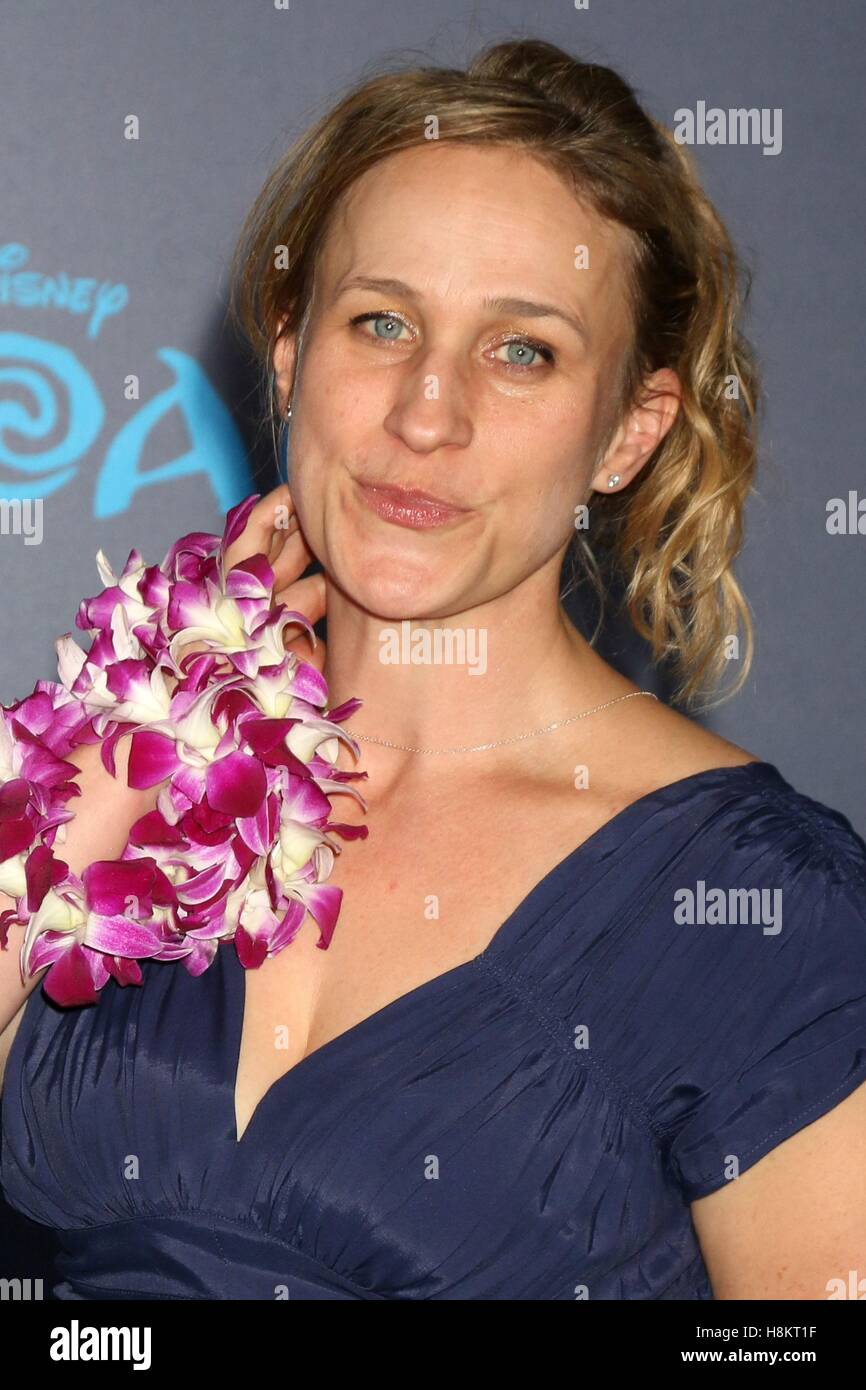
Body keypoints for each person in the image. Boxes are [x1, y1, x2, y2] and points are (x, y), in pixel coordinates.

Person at [1, 37, 865, 1301]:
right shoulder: (143, 776)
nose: (425, 411)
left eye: (522, 350)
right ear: (291, 358)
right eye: (382, 321)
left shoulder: (756, 911)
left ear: (627, 431)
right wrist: (73, 799)